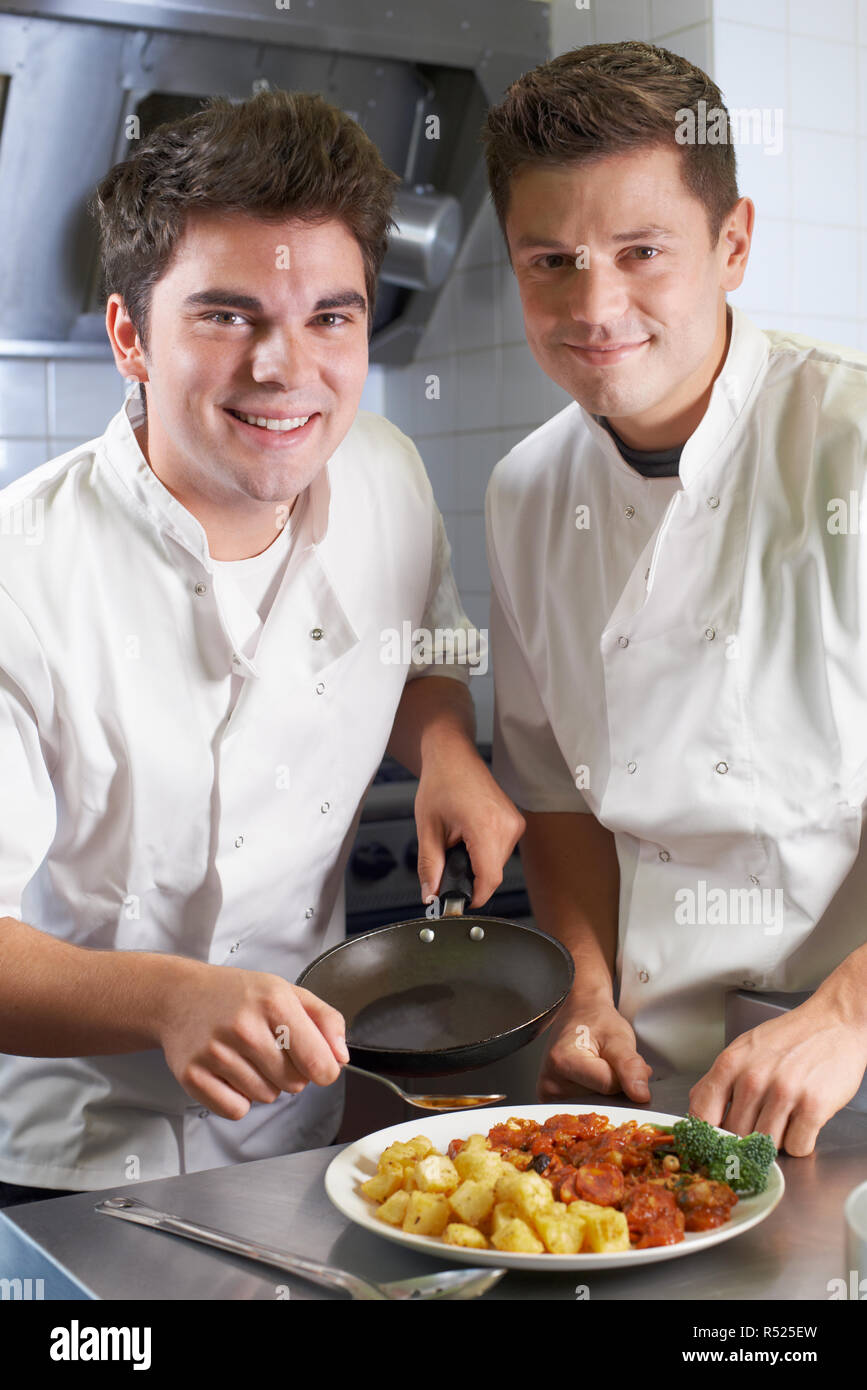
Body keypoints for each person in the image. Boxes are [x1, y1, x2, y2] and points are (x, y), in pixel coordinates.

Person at [0, 89, 523, 1205]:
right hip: (67, 1160)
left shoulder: (385, 471)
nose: (287, 369)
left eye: (332, 317)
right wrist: (168, 999)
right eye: (229, 316)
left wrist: (444, 751)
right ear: (130, 336)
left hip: (307, 1141)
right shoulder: (23, 572)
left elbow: (420, 653)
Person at [481, 41, 867, 1156]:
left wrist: (843, 1016)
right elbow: (556, 796)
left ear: (732, 242)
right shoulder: (525, 495)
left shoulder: (847, 448)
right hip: (658, 1088)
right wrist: (587, 992)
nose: (596, 306)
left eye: (641, 251)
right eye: (549, 261)